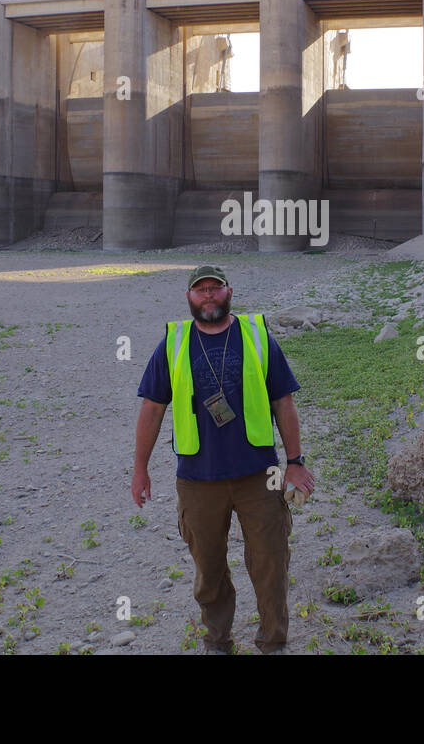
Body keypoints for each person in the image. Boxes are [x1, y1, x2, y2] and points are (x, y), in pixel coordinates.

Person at [131, 265, 314, 654]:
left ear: (230, 292)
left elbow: (284, 401)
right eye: (201, 290)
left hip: (261, 474)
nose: (209, 295)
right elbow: (152, 409)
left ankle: (273, 643)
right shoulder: (173, 342)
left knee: (270, 564)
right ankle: (218, 642)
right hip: (198, 478)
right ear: (189, 298)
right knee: (208, 568)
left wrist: (295, 461)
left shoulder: (257, 336)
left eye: (216, 288)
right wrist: (140, 469)